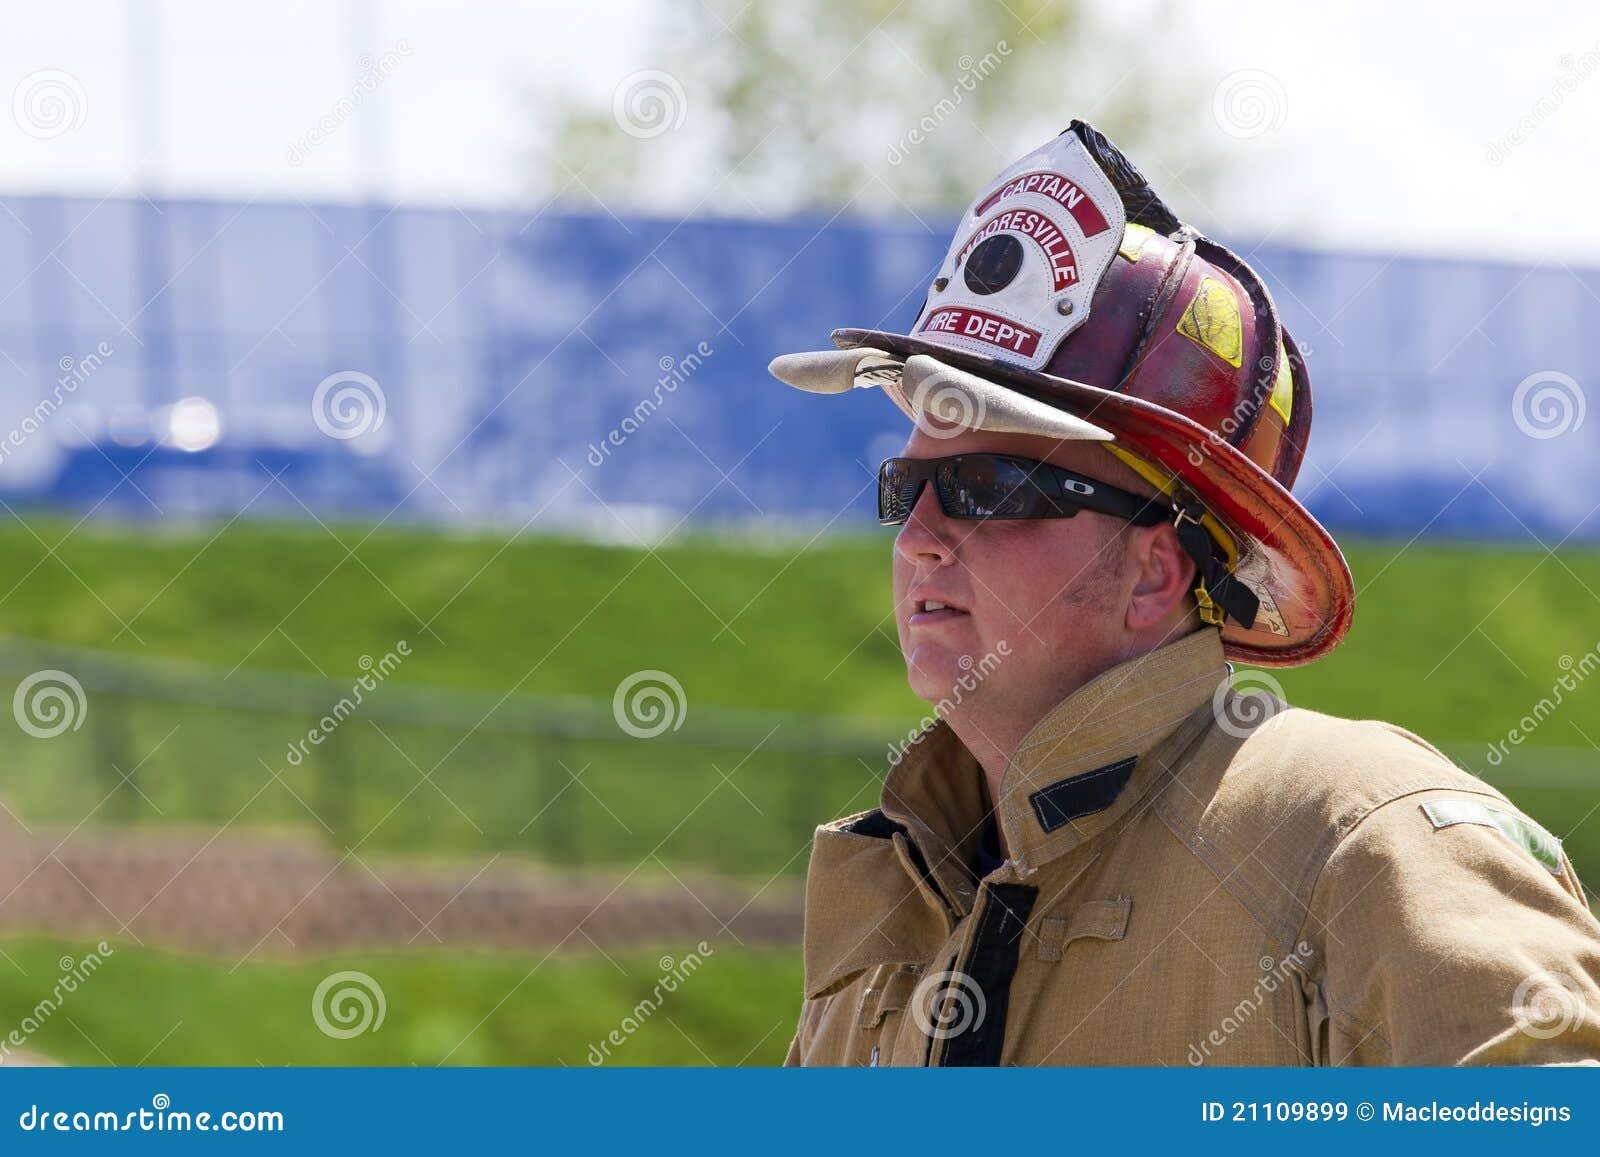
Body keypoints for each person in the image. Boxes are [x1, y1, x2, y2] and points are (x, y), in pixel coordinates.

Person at [768, 120, 1600, 1066]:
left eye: (988, 490)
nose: (918, 538)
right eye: (907, 487)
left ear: (1154, 569)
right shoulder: (899, 888)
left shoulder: (1368, 844)